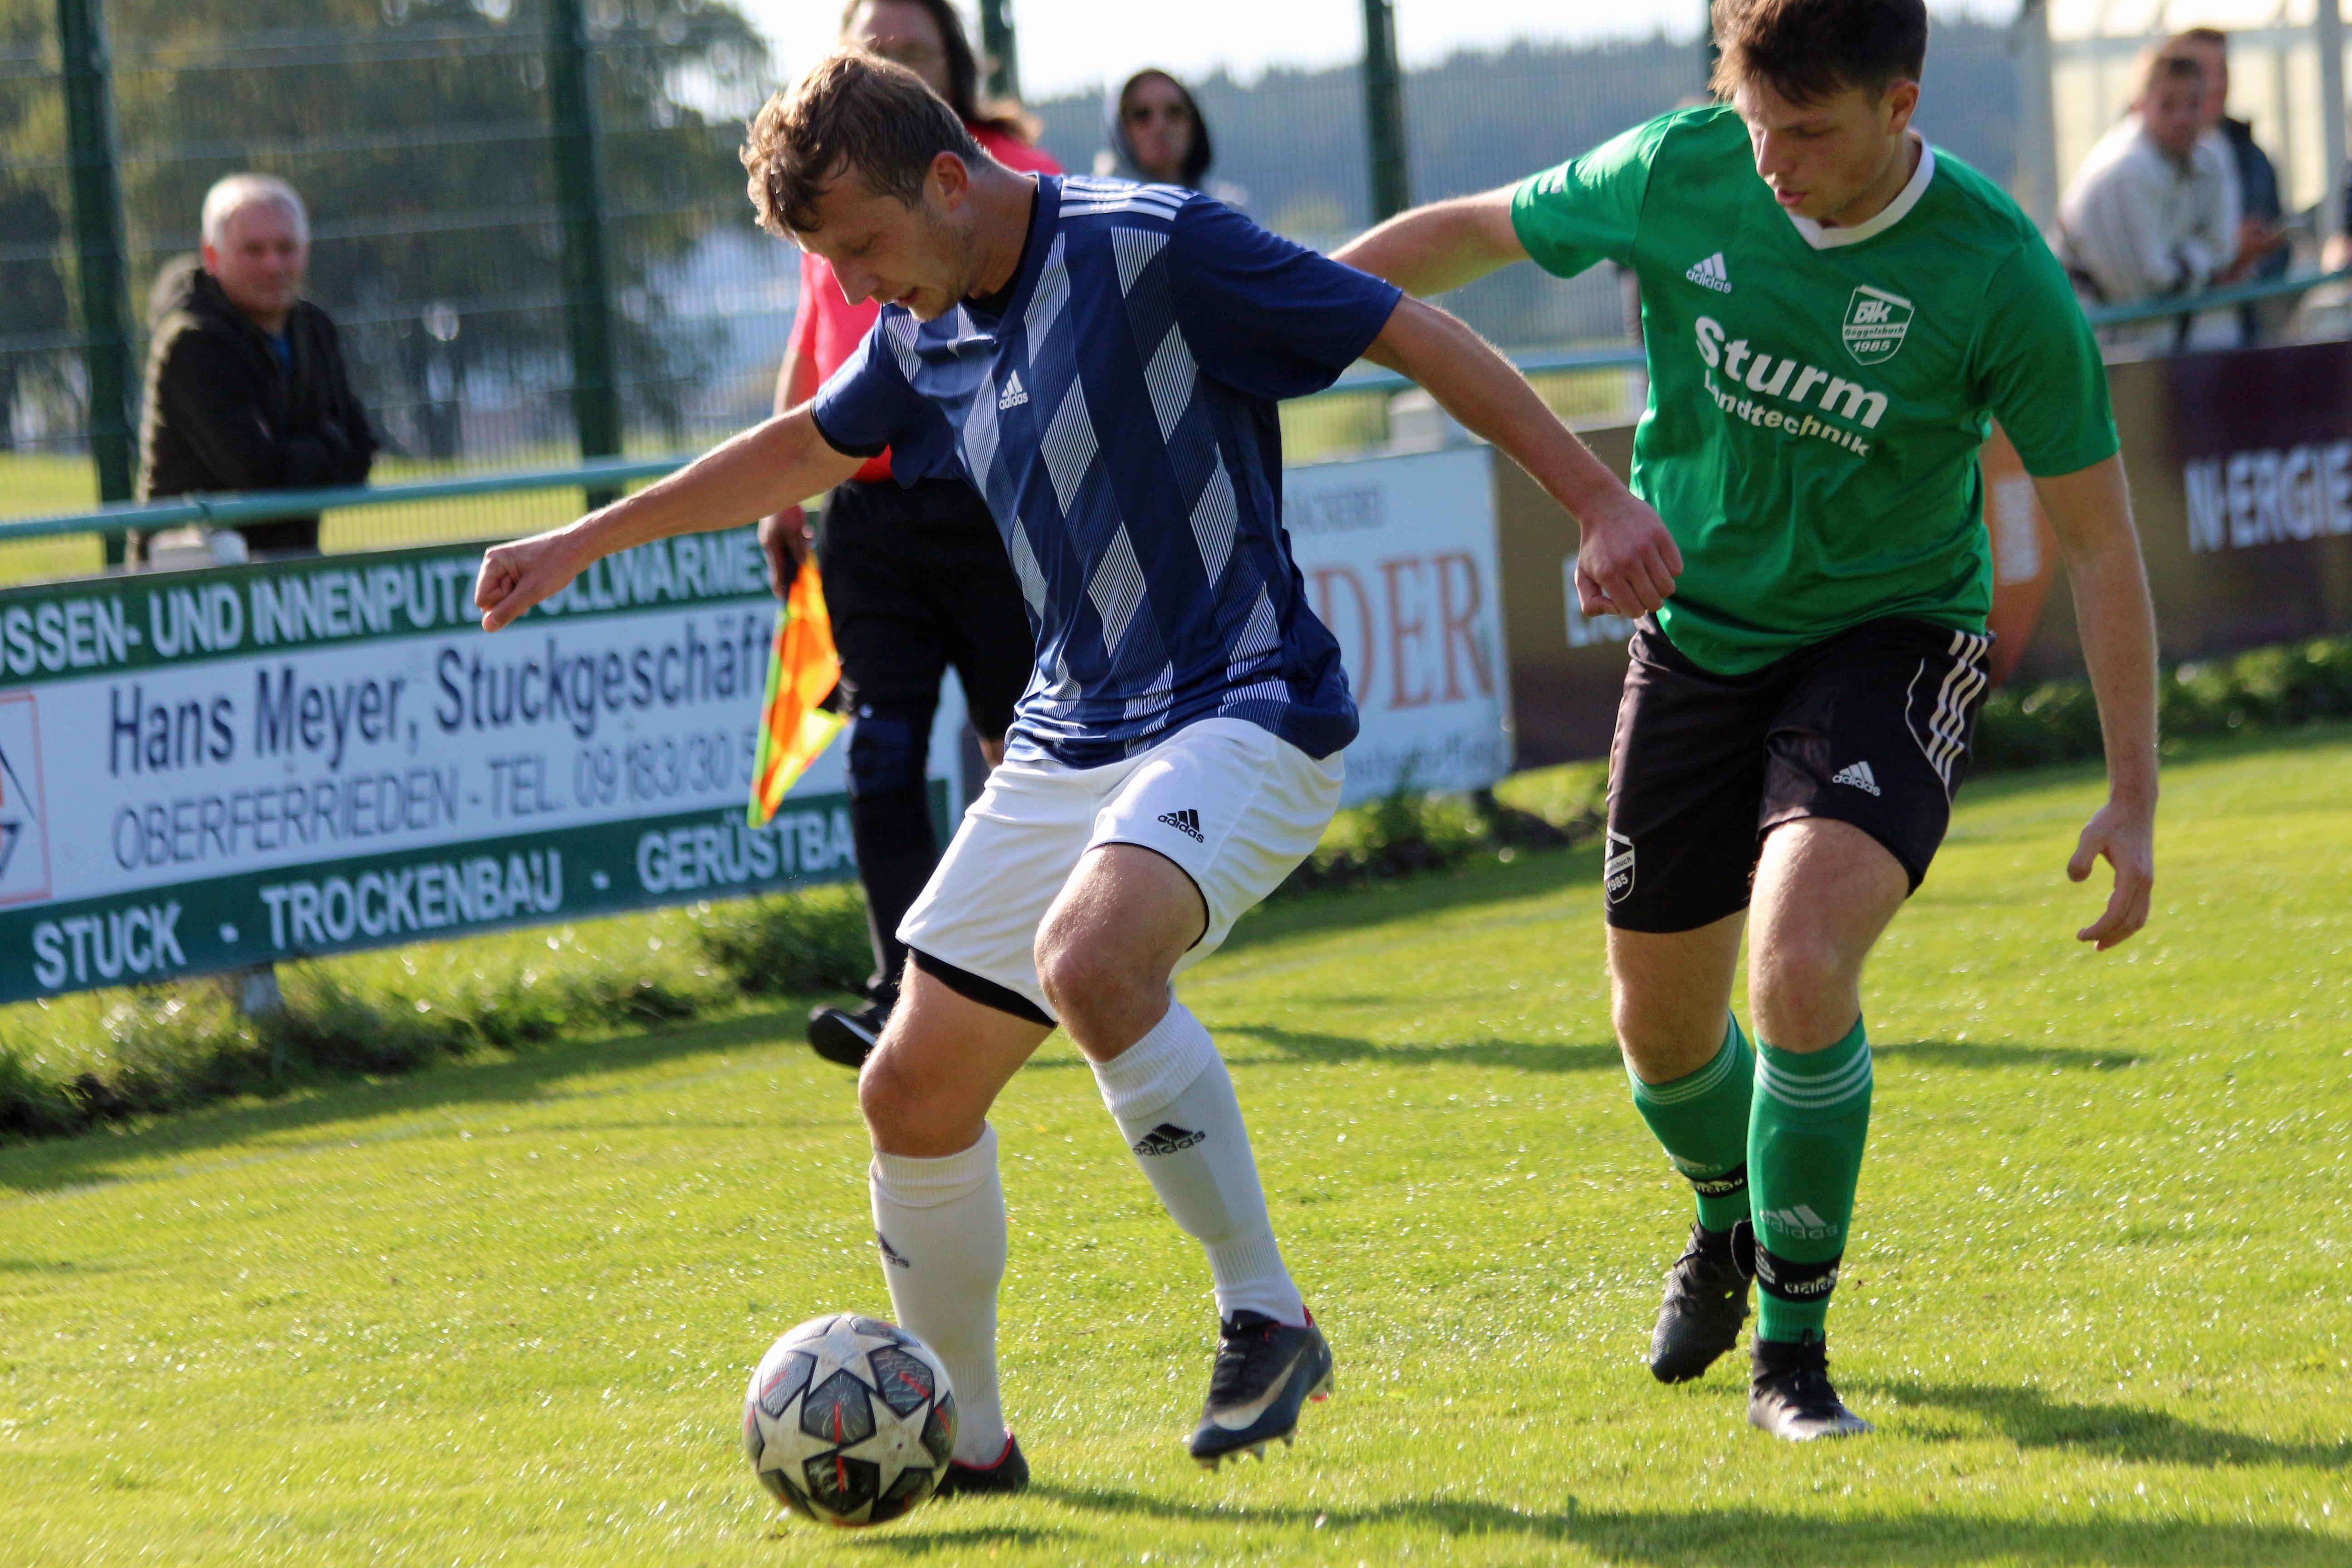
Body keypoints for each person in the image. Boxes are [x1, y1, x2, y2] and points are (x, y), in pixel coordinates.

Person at [476, 50, 1669, 1485]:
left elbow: (1408, 329)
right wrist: (582, 540)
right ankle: (968, 1448)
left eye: (862, 247)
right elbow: (807, 443)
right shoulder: (926, 327)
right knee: (910, 1093)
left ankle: (1264, 1312)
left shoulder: (1148, 243)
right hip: (1070, 734)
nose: (858, 287)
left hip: (1248, 704)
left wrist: (1599, 501)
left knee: (1095, 960)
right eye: (829, 264)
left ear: (948, 178)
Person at [1338, 0, 2157, 1440]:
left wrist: (2134, 794)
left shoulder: (1996, 271)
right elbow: (1468, 232)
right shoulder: (1682, 166)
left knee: (1795, 963)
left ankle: (1796, 1354)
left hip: (1891, 637)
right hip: (1701, 640)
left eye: (1812, 131)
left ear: (1901, 107)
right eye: (1758, 122)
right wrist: (1280, 320)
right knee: (1658, 1031)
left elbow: (2099, 540)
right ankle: (1726, 1216)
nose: (1773, 161)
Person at [766, 0, 1060, 1073]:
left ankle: (1048, 963)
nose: (888, 59)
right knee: (882, 748)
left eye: (910, 48)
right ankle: (899, 991)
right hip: (867, 511)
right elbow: (819, 335)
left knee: (1020, 750)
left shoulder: (1008, 170)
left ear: (952, 63)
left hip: (990, 501)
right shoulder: (824, 195)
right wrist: (782, 495)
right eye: (869, 44)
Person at [137, 173, 375, 558]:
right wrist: (328, 445)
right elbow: (255, 473)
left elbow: (361, 453)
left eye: (286, 247)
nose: (273, 264)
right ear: (212, 256)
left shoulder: (314, 329)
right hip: (190, 586)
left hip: (291, 571)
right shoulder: (193, 343)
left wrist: (296, 455)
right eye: (253, 250)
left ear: (306, 250)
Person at [2057, 49, 2238, 349]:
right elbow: (2149, 288)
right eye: (2167, 106)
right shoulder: (2124, 172)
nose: (2182, 119)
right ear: (2140, 105)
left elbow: (2225, 248)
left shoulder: (2212, 155)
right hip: (2098, 354)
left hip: (2165, 350)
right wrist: (2203, 262)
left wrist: (2188, 264)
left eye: (2193, 104)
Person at [2167, 27, 2290, 343]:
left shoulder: (2253, 157)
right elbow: (2150, 267)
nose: (2216, 86)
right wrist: (2227, 252)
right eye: (2203, 73)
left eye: (2223, 72)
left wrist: (2254, 262)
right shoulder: (2145, 163)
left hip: (2241, 338)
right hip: (2174, 346)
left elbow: (2278, 246)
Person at [1095, 69, 1245, 207]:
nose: (1160, 126)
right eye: (1141, 115)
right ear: (1120, 130)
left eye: (1175, 112)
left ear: (1194, 124)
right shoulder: (1097, 212)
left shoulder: (1230, 214)